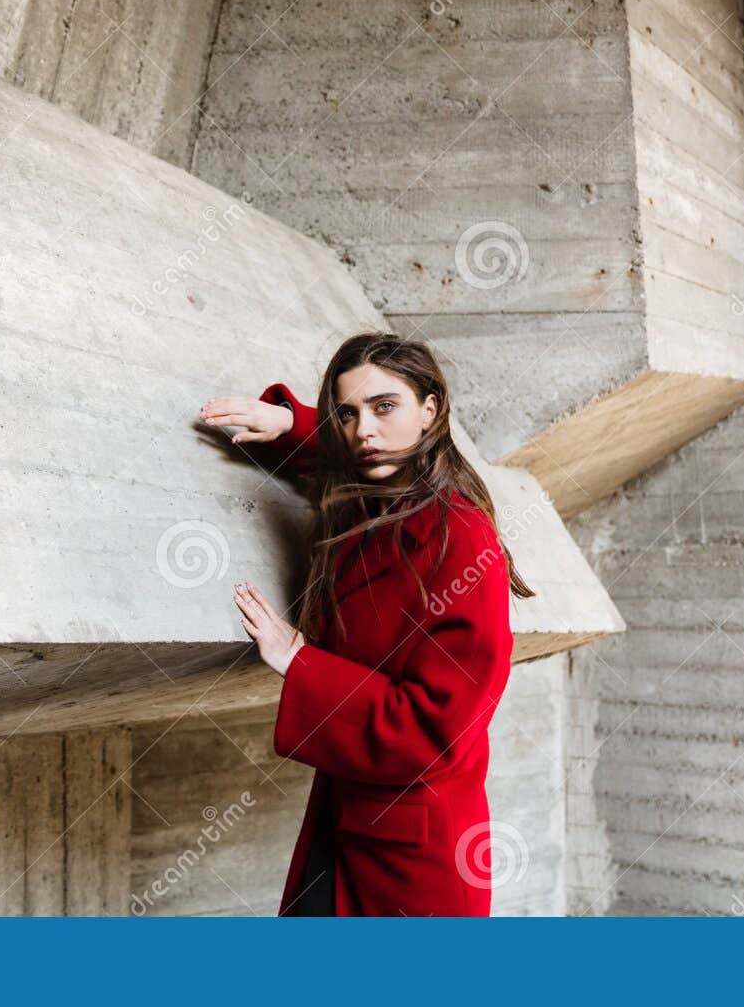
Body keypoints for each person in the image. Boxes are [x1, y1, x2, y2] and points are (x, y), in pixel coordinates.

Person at [198, 332, 535, 916]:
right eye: (346, 414)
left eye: (385, 407)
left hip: (413, 864)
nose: (365, 432)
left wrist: (300, 661)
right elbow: (346, 457)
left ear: (430, 410)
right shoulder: (380, 496)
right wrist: (288, 422)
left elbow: (437, 729)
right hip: (349, 821)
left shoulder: (460, 540)